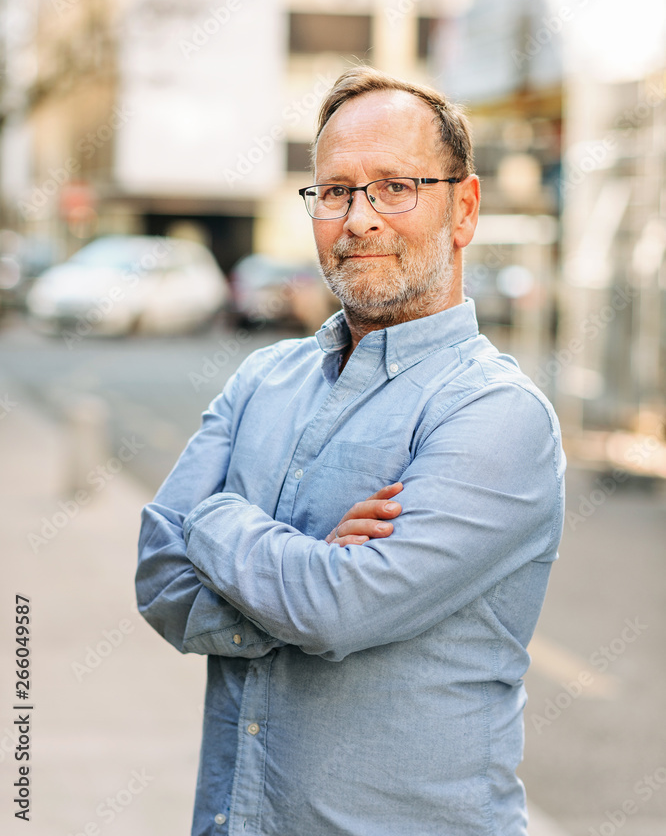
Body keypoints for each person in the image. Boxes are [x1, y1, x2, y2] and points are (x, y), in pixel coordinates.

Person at [135, 66, 565, 836]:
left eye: (395, 186)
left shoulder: (497, 415)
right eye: (335, 191)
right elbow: (159, 580)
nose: (359, 218)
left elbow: (337, 610)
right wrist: (303, 574)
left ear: (463, 209)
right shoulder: (263, 377)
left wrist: (220, 520)